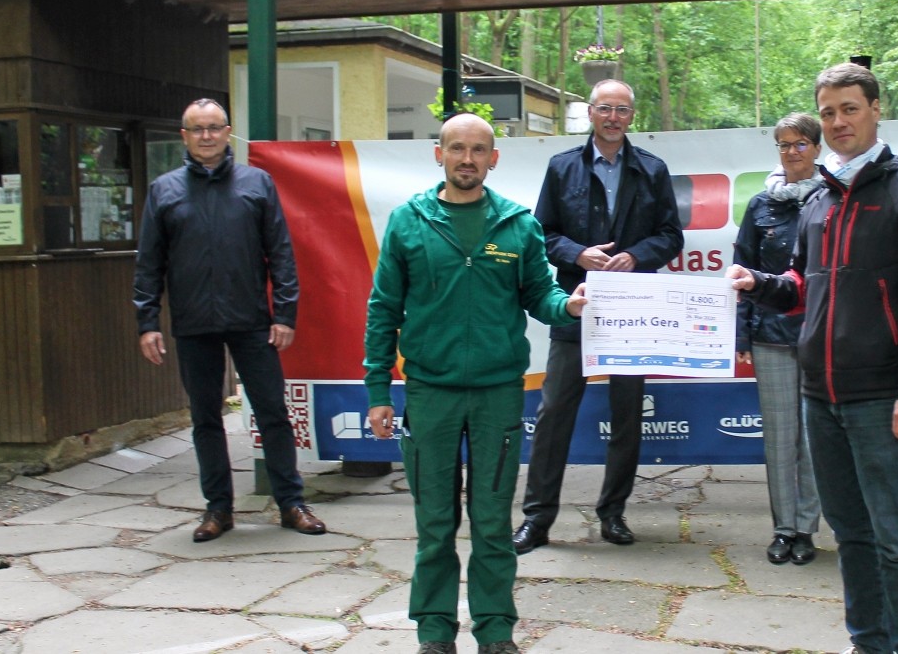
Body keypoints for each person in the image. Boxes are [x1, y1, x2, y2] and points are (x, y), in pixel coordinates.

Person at [728, 63, 898, 654]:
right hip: (821, 397)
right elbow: (803, 287)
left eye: (849, 109)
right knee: (852, 536)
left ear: (876, 110)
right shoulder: (820, 200)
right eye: (828, 112)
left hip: (884, 400)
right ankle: (868, 643)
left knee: (897, 541)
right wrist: (758, 284)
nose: (838, 122)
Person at [364, 114, 586, 654]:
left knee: (491, 523)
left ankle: (496, 632)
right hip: (430, 393)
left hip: (496, 394)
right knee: (435, 524)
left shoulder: (517, 225)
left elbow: (540, 295)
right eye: (457, 148)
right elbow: (383, 308)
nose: (468, 159)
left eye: (478, 150)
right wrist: (377, 391)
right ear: (438, 154)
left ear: (494, 158)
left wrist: (568, 306)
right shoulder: (409, 221)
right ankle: (434, 633)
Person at [133, 98, 325, 543]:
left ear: (227, 132)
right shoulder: (164, 190)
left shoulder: (257, 184)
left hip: (252, 320)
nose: (206, 136)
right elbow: (149, 263)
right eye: (197, 129)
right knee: (205, 419)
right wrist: (147, 322)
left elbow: (281, 252)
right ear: (184, 136)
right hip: (193, 322)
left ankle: (291, 503)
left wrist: (285, 314)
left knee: (273, 413)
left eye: (214, 127)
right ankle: (218, 509)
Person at [513, 79, 684, 553]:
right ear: (590, 113)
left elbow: (671, 236)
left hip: (634, 309)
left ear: (632, 117)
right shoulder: (562, 166)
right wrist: (577, 254)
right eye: (605, 108)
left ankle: (613, 513)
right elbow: (541, 233)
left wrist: (636, 255)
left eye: (622, 110)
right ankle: (537, 519)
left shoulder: (652, 169)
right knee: (554, 414)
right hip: (576, 302)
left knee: (627, 416)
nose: (613, 118)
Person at [733, 113, 823, 567]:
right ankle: (783, 528)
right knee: (779, 437)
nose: (792, 152)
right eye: (784, 144)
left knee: (812, 438)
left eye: (801, 143)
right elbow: (742, 271)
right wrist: (741, 333)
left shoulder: (831, 198)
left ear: (817, 149)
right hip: (769, 335)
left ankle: (806, 529)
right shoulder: (759, 206)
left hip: (819, 335)